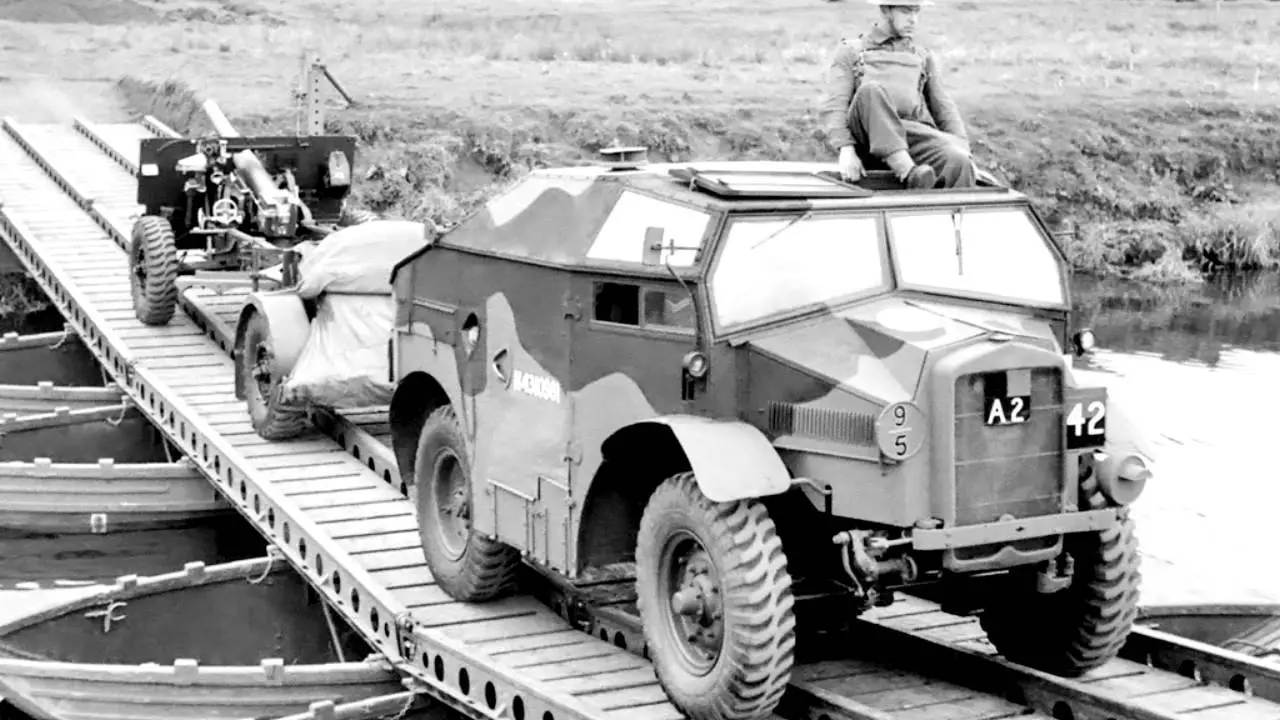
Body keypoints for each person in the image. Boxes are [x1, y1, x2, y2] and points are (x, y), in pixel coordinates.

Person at [821, 0, 976, 189]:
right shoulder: (851, 51)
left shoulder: (921, 56)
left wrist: (963, 148)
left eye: (916, 12)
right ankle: (908, 171)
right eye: (905, 12)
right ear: (886, 10)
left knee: (958, 161)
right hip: (869, 139)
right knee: (871, 90)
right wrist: (845, 149)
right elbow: (834, 107)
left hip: (911, 136)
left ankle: (956, 214)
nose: (914, 20)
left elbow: (944, 108)